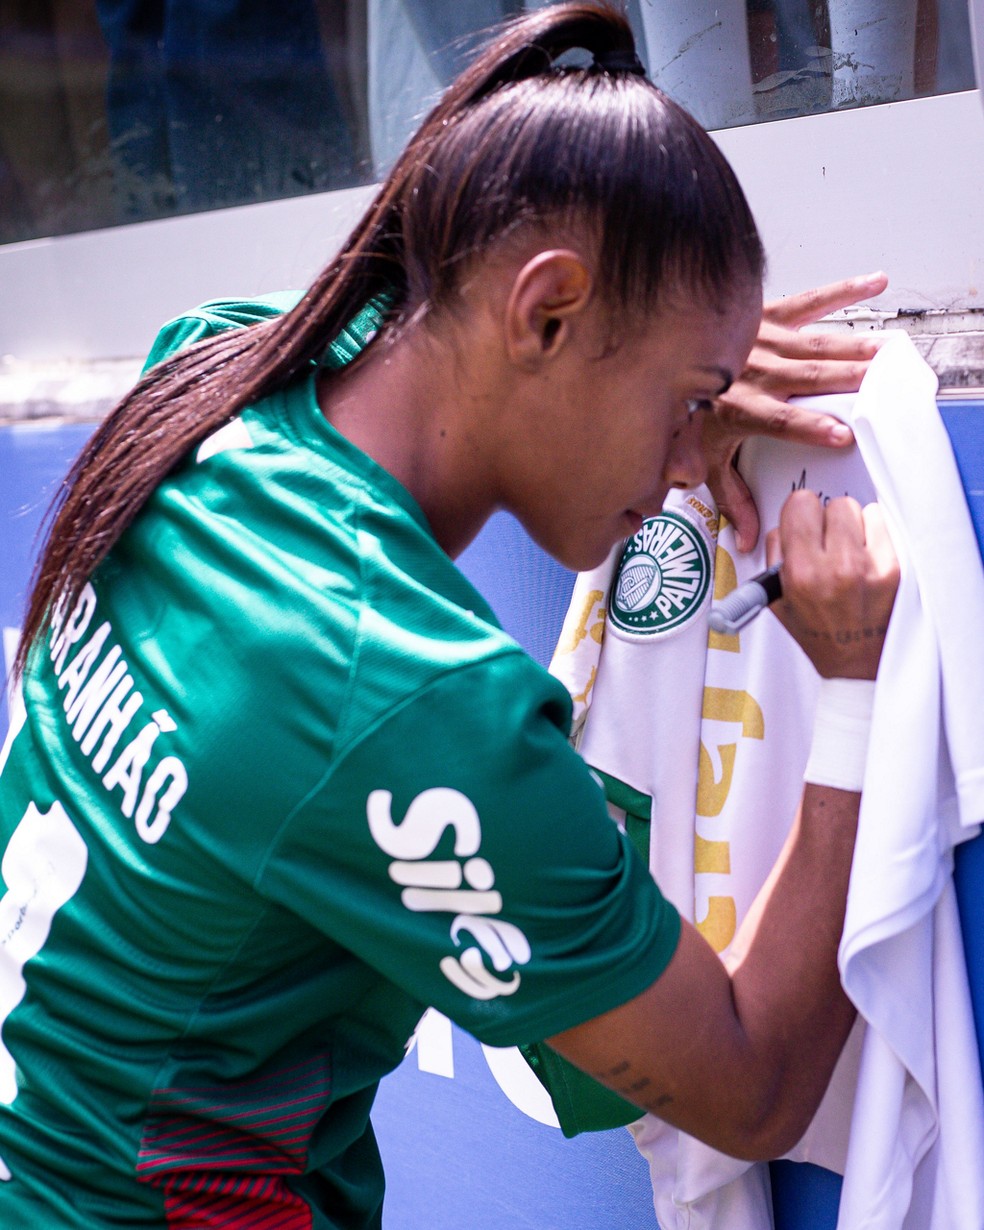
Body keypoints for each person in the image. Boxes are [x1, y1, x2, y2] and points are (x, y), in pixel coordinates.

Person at [0, 3, 898, 1227]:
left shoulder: (212, 372)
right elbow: (749, 1090)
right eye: (692, 402)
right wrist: (853, 688)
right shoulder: (407, 697)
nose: (697, 461)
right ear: (544, 313)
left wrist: (675, 359)